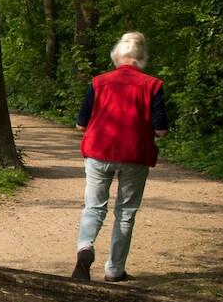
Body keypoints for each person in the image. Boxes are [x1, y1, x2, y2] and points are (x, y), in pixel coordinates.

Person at [72, 31, 169, 282]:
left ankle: (85, 248)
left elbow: (81, 125)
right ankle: (114, 270)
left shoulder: (98, 82)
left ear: (117, 56)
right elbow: (161, 130)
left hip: (98, 151)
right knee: (125, 212)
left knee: (94, 206)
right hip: (134, 154)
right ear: (141, 59)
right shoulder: (153, 85)